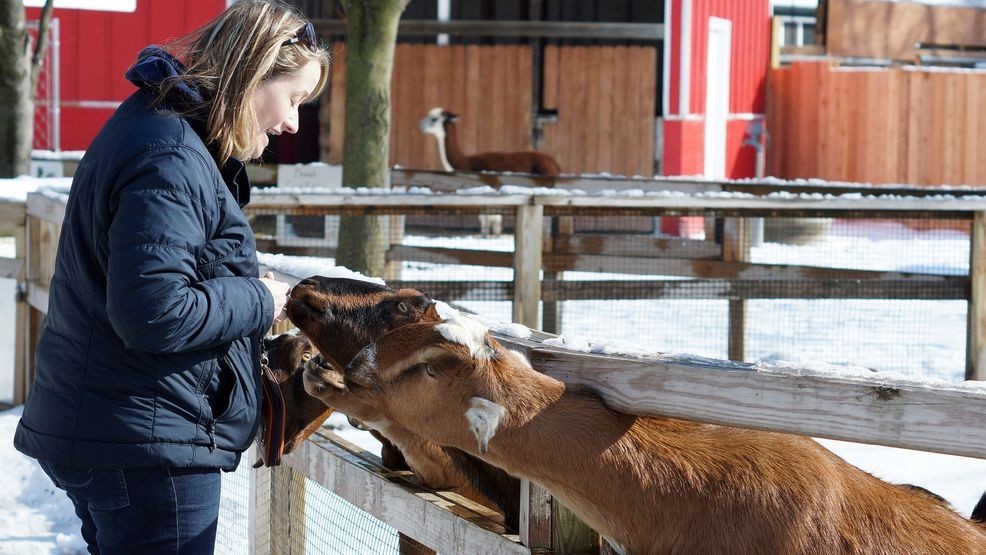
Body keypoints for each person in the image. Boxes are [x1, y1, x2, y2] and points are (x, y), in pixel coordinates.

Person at [13, 1, 330, 553]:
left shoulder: (159, 132)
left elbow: (154, 271)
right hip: (147, 449)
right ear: (254, 72)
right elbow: (153, 310)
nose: (292, 123)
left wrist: (234, 279)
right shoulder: (170, 157)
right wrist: (259, 298)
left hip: (118, 429)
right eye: (294, 99)